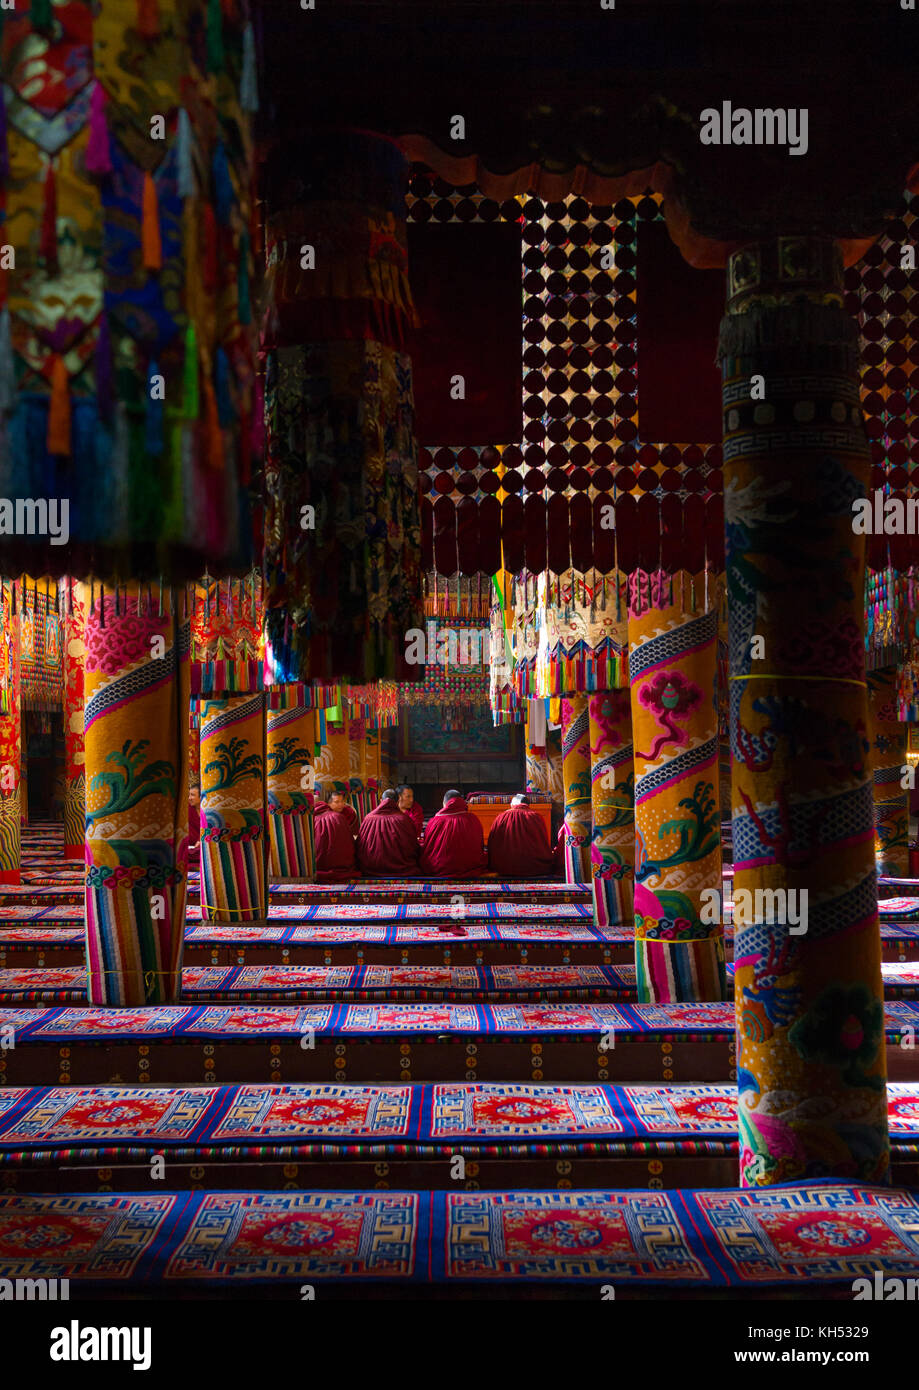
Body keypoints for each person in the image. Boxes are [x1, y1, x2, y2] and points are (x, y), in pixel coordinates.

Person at [418, 789, 486, 879]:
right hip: (470, 867)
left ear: (444, 803)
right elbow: (479, 845)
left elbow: (428, 847)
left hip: (439, 867)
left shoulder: (434, 822)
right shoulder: (473, 819)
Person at [487, 793, 556, 878]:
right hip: (534, 867)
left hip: (503, 867)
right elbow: (542, 845)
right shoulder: (536, 817)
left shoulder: (501, 817)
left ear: (512, 805)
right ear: (528, 805)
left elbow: (492, 844)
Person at [356, 788, 420, 877]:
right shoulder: (404, 819)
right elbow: (412, 845)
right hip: (401, 868)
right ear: (397, 802)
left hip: (371, 867)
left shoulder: (368, 818)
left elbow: (360, 845)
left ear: (381, 801)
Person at [313, 793, 358, 881]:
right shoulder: (339, 817)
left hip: (319, 864)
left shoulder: (313, 818)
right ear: (328, 804)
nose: (340, 805)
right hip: (342, 864)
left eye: (342, 802)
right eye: (337, 802)